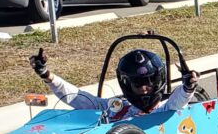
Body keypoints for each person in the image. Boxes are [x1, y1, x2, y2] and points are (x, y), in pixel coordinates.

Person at [30, 46, 195, 119]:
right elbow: (78, 98)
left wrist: (188, 87)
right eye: (137, 84)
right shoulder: (117, 107)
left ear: (158, 82)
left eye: (149, 83)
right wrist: (47, 75)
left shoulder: (165, 110)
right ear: (127, 84)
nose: (144, 88)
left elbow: (179, 100)